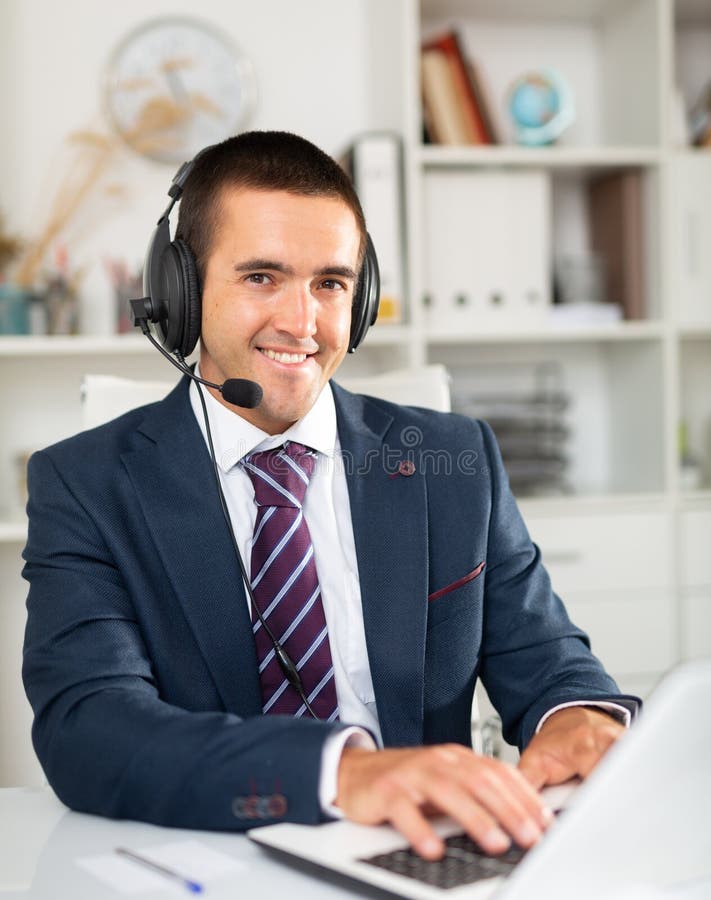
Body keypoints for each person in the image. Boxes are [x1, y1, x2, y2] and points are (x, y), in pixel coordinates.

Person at [22, 131, 638, 861]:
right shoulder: (85, 484)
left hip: (422, 856)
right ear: (182, 292)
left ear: (363, 297)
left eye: (331, 283)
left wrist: (577, 716)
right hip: (208, 858)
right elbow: (88, 728)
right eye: (261, 277)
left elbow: (548, 658)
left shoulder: (454, 460)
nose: (302, 323)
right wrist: (338, 774)